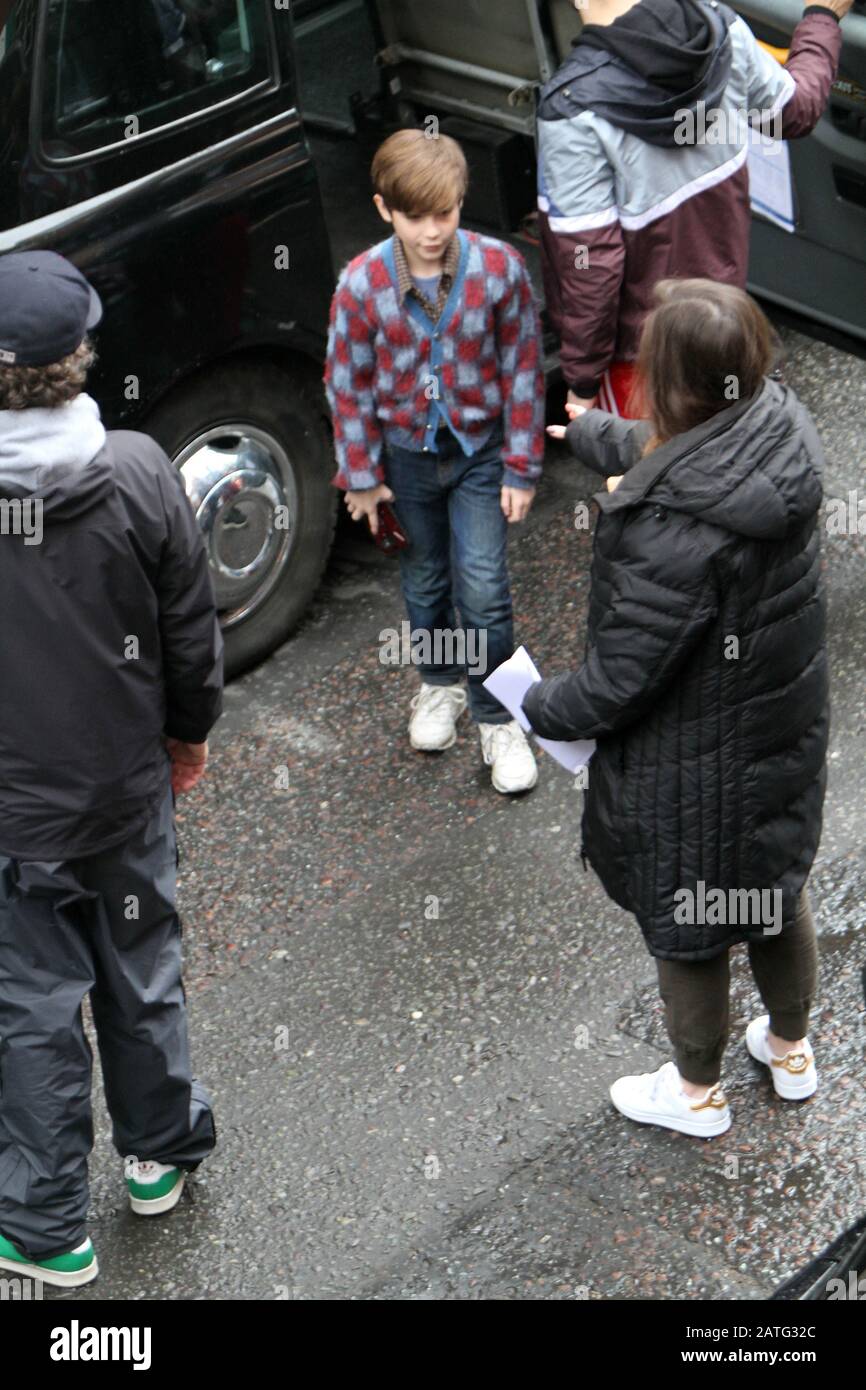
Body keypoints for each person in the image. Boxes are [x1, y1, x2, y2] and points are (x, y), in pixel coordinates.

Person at [526, 279, 828, 1137]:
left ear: (674, 383)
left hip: (694, 766)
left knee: (691, 920)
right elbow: (686, 448)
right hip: (778, 736)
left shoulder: (674, 535)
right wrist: (589, 433)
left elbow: (619, 682)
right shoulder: (780, 427)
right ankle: (793, 1050)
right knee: (771, 891)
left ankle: (697, 1095)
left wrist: (537, 703)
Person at [0, 251, 223, 1287]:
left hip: (15, 819)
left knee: (33, 1010)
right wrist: (187, 735)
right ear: (80, 356)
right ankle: (156, 1157)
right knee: (142, 974)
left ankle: (47, 1231)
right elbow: (190, 631)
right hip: (128, 788)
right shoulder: (138, 469)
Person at [325, 129, 546, 793]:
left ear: (460, 203)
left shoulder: (501, 268)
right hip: (405, 459)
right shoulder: (360, 284)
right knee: (424, 582)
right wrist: (360, 477)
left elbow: (525, 368)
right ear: (383, 209)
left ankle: (497, 715)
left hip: (479, 454)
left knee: (482, 585)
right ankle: (440, 683)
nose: (431, 230)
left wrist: (521, 463)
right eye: (415, 216)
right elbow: (347, 381)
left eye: (444, 214)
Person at [537, 0, 850, 417]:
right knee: (725, 457)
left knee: (642, 478)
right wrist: (822, 20)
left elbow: (589, 265)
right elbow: (795, 112)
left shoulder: (570, 112)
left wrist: (581, 379)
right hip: (723, 330)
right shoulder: (722, 29)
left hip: (644, 363)